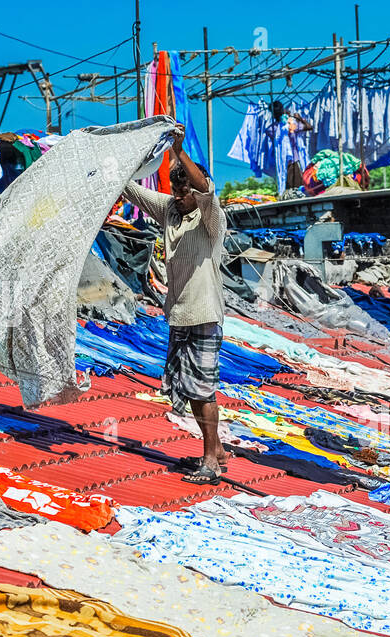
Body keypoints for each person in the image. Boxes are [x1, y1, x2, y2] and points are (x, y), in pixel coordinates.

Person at [121, 124, 228, 483]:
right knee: (190, 389)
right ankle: (218, 450)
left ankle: (210, 462)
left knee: (203, 390)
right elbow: (133, 192)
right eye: (175, 190)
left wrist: (179, 151)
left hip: (204, 313)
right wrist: (116, 162)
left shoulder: (210, 218)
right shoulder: (170, 211)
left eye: (185, 190)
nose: (180, 196)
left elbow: (205, 189)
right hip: (179, 315)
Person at [268, 100, 313, 193]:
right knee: (295, 188)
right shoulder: (275, 128)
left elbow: (309, 127)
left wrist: (297, 119)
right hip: (287, 162)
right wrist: (299, 118)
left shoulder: (289, 125)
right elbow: (308, 126)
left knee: (296, 187)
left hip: (294, 160)